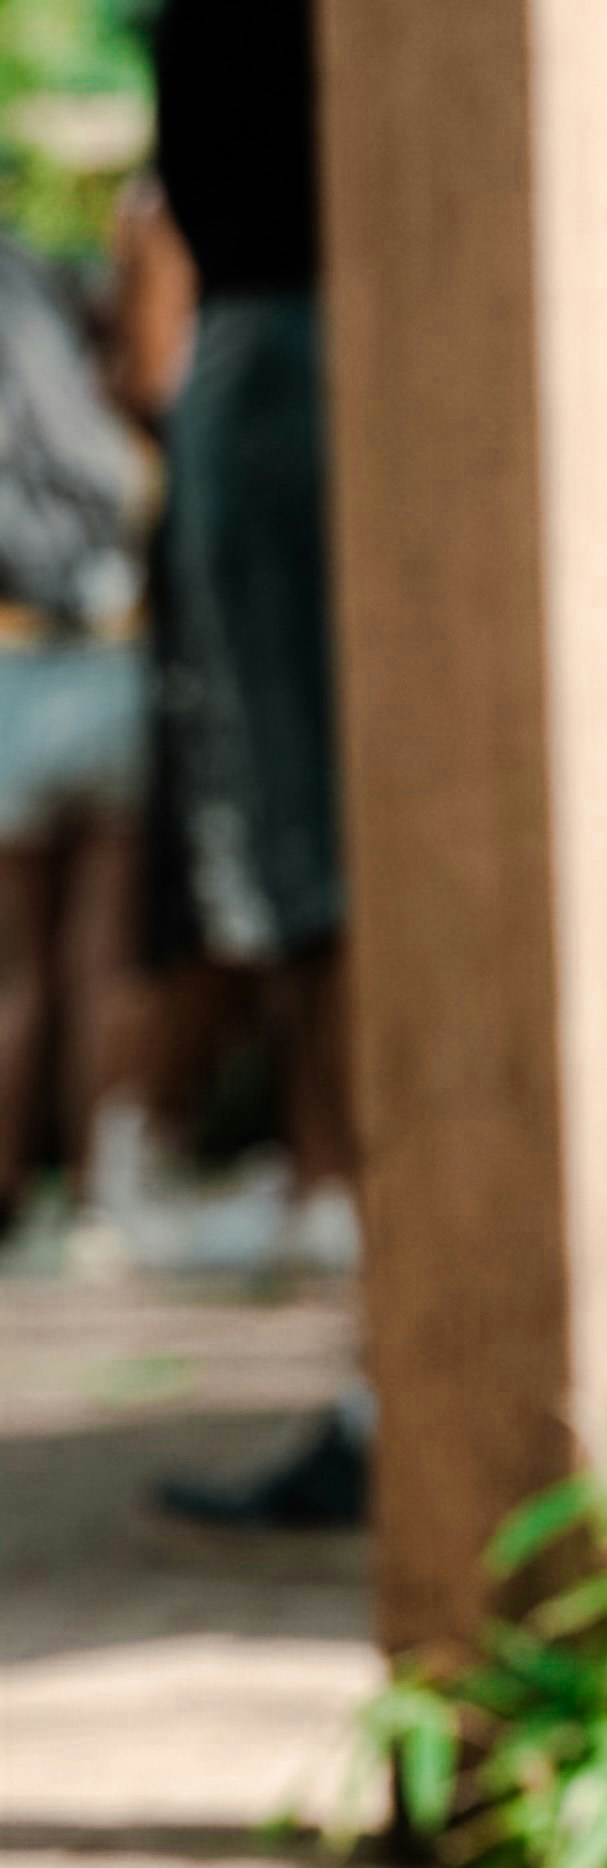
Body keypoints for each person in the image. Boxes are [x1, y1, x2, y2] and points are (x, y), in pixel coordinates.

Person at [144, 0, 369, 1530]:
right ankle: (401, 1369)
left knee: (330, 884)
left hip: (299, 340)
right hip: (375, 327)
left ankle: (403, 1383)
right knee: (341, 882)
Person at [0, 229, 153, 1242]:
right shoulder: (38, 281)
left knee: (12, 968)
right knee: (99, 960)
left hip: (13, 661)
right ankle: (99, 1194)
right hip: (107, 647)